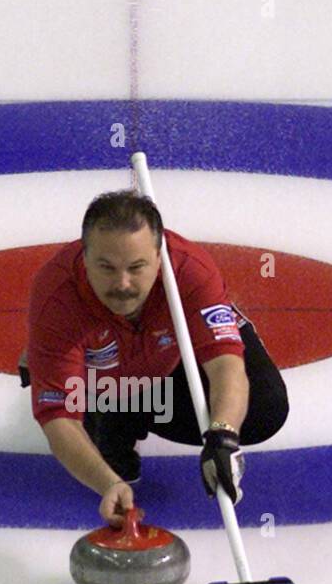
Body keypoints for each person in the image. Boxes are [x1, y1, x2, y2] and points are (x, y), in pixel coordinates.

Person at [25, 191, 289, 525]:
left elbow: (225, 365)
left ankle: (129, 407)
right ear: (85, 256)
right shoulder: (56, 298)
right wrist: (109, 483)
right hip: (106, 377)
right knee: (104, 450)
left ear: (159, 258)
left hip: (172, 356)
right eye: (106, 267)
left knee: (264, 407)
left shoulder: (190, 269)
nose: (123, 284)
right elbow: (58, 415)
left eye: (137, 267)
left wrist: (222, 435)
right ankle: (111, 408)